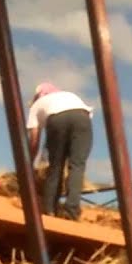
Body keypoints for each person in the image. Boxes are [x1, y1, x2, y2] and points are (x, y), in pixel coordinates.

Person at [26, 83, 94, 220]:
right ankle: (72, 210)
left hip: (57, 119)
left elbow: (34, 138)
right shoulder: (69, 95)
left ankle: (49, 209)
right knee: (77, 165)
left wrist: (29, 162)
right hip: (82, 117)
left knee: (55, 166)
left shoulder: (37, 104)